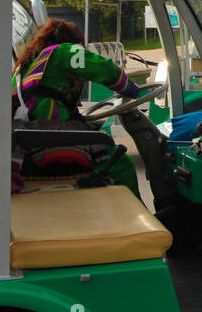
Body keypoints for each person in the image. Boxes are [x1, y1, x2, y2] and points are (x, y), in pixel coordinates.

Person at [11, 19, 142, 195]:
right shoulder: (63, 51)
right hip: (50, 137)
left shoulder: (30, 65)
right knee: (120, 162)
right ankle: (133, 219)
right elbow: (104, 68)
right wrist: (132, 89)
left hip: (29, 138)